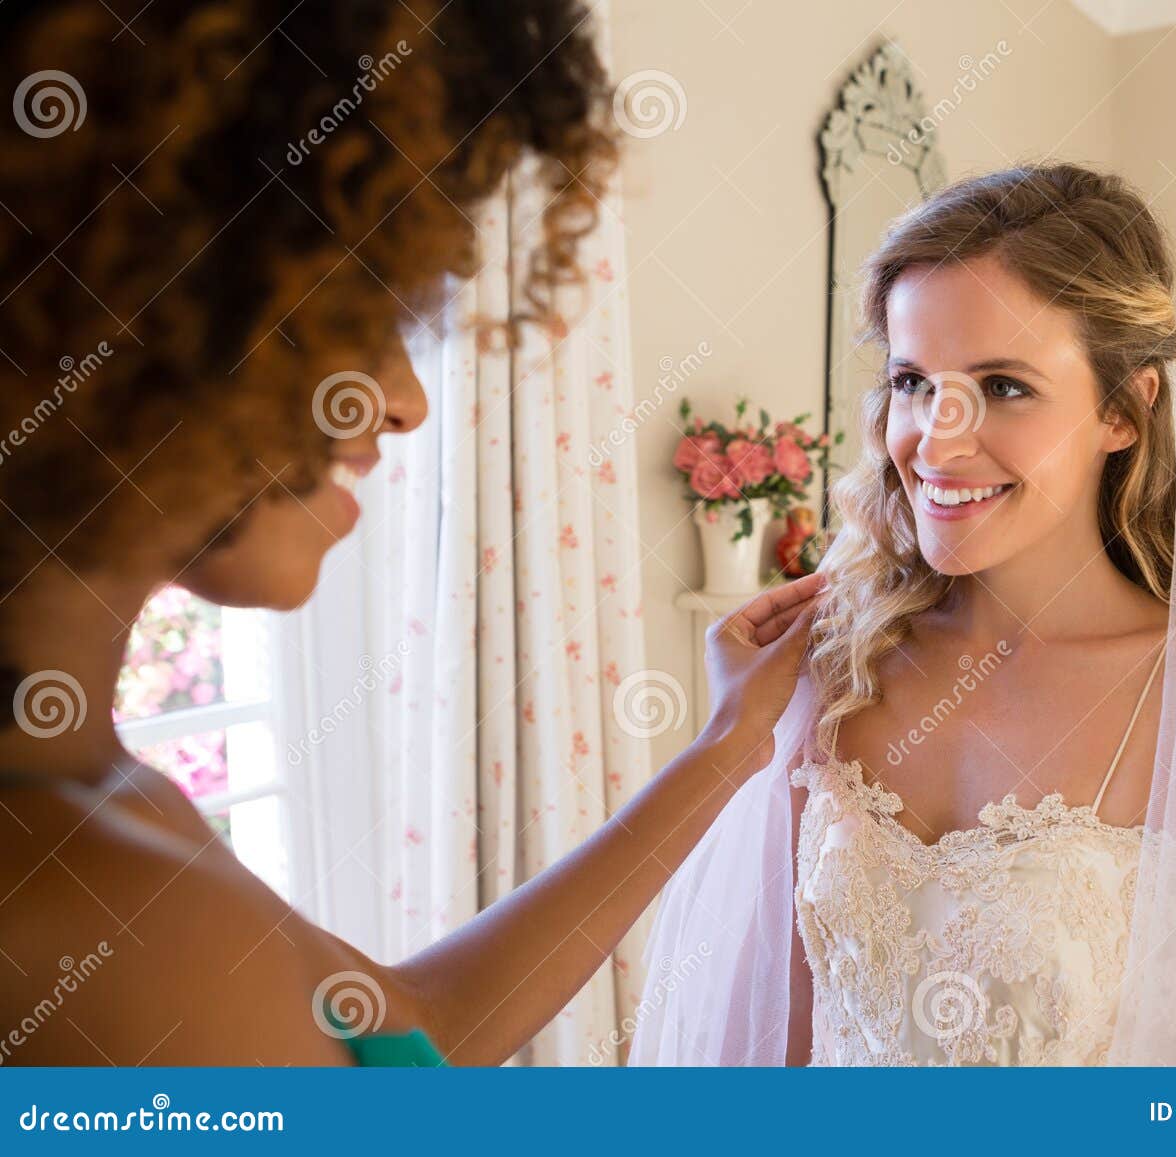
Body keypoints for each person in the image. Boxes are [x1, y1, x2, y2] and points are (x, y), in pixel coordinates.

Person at [0, 0, 822, 1065]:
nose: (402, 401)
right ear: (142, 309)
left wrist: (726, 747)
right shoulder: (95, 925)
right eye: (355, 315)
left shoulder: (104, 802)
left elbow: (411, 1023)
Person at [629, 163, 1176, 1066]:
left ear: (1124, 409)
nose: (938, 437)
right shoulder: (834, 667)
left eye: (1003, 386)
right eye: (914, 381)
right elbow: (772, 1038)